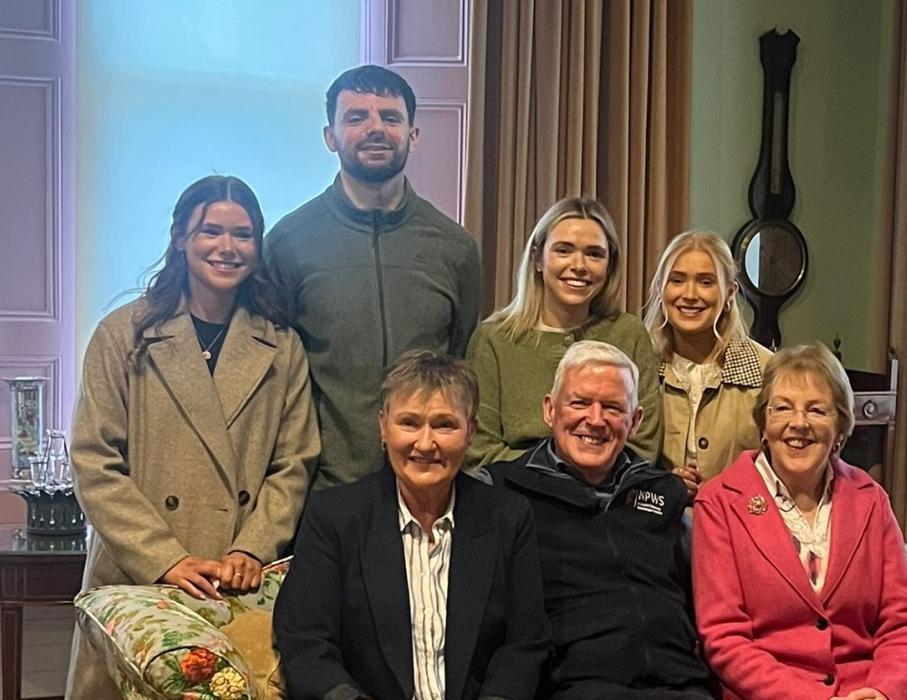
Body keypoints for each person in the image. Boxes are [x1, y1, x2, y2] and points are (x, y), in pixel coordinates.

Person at [66, 176, 320, 699]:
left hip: (234, 580)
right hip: (138, 577)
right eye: (211, 231)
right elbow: (94, 460)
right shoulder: (123, 334)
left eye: (243, 234)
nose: (227, 247)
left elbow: (294, 463)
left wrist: (251, 548)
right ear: (181, 237)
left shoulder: (280, 345)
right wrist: (165, 558)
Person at [274, 350, 550, 700]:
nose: (425, 443)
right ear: (383, 427)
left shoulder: (508, 517)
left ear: (470, 432)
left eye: (444, 424)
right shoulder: (334, 517)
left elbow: (526, 643)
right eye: (409, 423)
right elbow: (305, 642)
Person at [265, 64, 482, 489]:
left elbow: (461, 361)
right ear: (330, 136)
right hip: (322, 490)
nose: (375, 128)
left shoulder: (455, 247)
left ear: (413, 135)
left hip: (429, 487)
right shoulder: (288, 243)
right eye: (357, 117)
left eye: (390, 117)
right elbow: (276, 375)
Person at [691, 343, 907, 700]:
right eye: (783, 408)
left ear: (840, 430)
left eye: (817, 410)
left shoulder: (870, 500)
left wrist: (884, 690)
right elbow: (725, 639)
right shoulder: (720, 503)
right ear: (764, 423)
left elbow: (906, 625)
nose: (798, 424)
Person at [487, 341, 710, 698]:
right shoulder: (505, 492)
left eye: (612, 407)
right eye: (579, 403)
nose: (594, 420)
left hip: (682, 685)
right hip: (576, 687)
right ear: (550, 410)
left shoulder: (665, 492)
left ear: (635, 421)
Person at [466, 197, 661, 470]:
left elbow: (643, 446)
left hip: (608, 498)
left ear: (609, 265)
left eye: (594, 254)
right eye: (564, 250)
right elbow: (479, 451)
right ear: (538, 258)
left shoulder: (629, 334)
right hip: (516, 497)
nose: (579, 265)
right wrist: (557, 482)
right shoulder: (494, 339)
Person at [644, 230, 771, 499]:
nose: (689, 295)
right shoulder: (638, 365)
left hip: (742, 524)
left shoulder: (768, 372)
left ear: (730, 292)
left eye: (705, 282)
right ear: (661, 289)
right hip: (657, 526)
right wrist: (660, 482)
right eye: (677, 280)